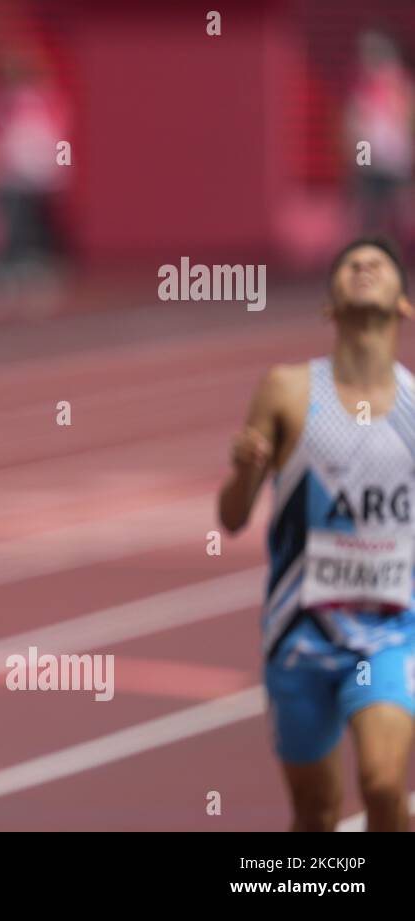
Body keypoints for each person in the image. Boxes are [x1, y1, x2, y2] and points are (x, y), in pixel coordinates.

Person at [219, 237, 415, 831]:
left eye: (376, 264)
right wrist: (247, 469)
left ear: (403, 303)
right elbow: (231, 517)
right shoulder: (287, 389)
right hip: (298, 633)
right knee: (316, 812)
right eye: (348, 264)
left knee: (382, 784)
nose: (361, 268)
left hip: (390, 630)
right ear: (328, 304)